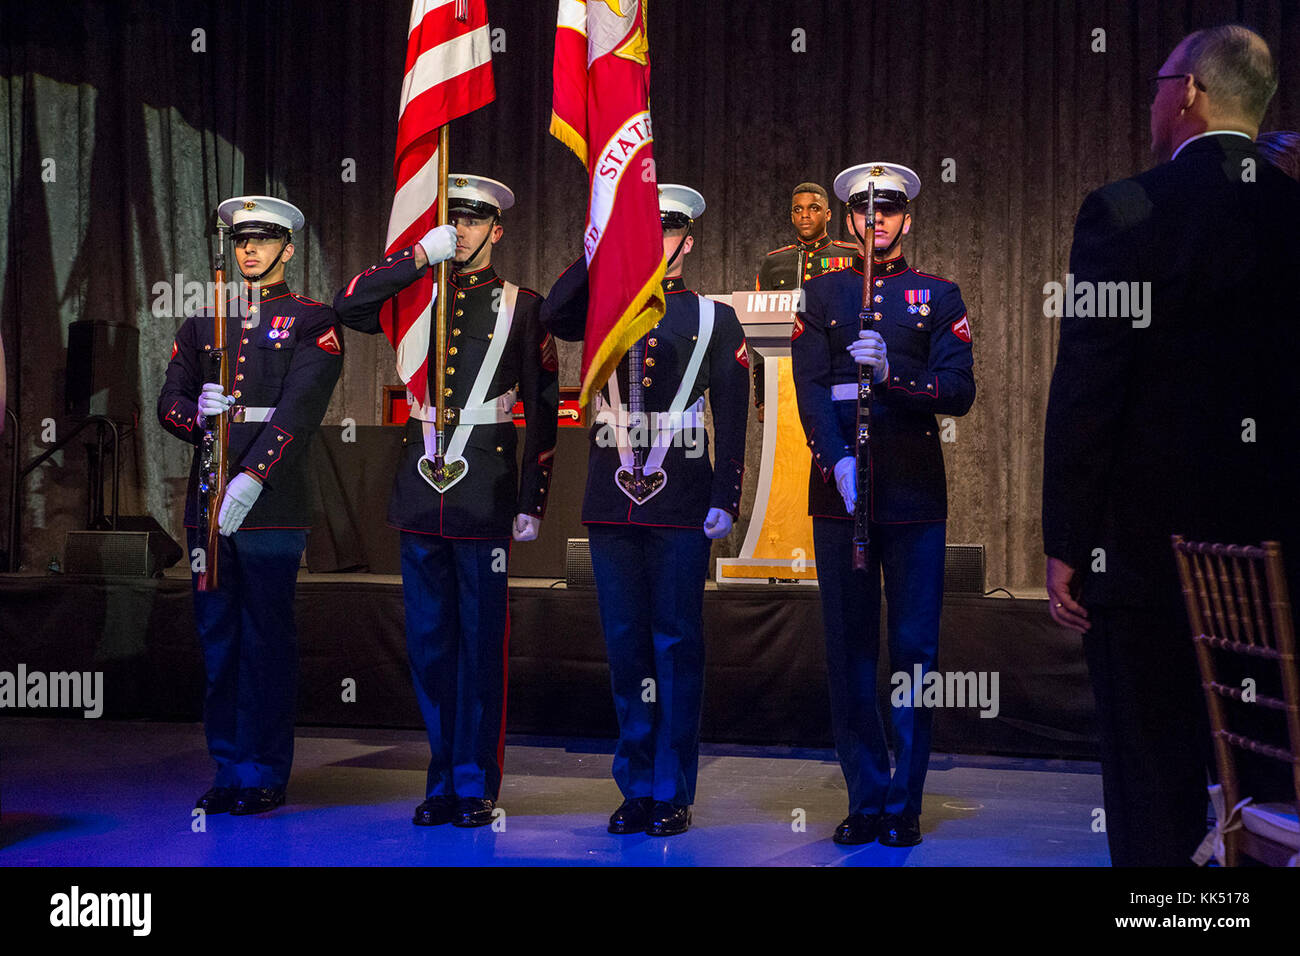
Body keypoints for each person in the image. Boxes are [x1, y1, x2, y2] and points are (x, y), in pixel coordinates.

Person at [1043, 25, 1300, 866]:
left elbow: (1090, 387)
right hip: (1281, 563)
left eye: (1159, 84)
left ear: (1187, 92)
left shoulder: (1127, 210)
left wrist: (1067, 540)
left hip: (1149, 559)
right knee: (1274, 783)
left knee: (1151, 780)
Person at [334, 175, 558, 828]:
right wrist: (415, 258)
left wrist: (533, 496)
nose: (460, 231)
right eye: (451, 220)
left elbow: (544, 407)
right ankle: (440, 779)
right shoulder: (416, 297)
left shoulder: (523, 305)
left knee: (481, 645)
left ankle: (474, 781)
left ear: (497, 230)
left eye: (473, 220)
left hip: (484, 492)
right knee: (430, 645)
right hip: (420, 491)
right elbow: (348, 305)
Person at [541, 185, 749, 836]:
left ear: (687, 240)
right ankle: (635, 786)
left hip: (682, 497)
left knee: (677, 645)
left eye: (664, 231)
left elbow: (734, 417)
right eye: (641, 228)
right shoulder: (605, 306)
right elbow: (552, 313)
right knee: (626, 646)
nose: (654, 241)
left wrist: (726, 496)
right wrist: (599, 248)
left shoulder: (714, 318)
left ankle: (671, 788)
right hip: (612, 499)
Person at [791, 163, 975, 847]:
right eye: (866, 211)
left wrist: (895, 374)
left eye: (890, 209)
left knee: (914, 651)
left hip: (912, 492)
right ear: (849, 220)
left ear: (907, 219)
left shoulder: (939, 295)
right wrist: (836, 460)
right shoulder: (823, 293)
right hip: (840, 493)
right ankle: (865, 795)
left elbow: (960, 390)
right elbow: (810, 388)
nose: (877, 220)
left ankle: (905, 802)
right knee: (848, 649)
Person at [158, 196, 344, 815]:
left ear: (287, 248)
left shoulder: (312, 320)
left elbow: (301, 409)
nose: (250, 250)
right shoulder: (203, 320)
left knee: (266, 640)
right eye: (241, 240)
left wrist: (254, 475)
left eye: (263, 239)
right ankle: (229, 768)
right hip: (207, 501)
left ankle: (264, 772)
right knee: (219, 642)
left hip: (272, 503)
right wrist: (195, 414)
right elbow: (167, 402)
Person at [752, 183, 856, 419]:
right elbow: (760, 330)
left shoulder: (850, 257)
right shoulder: (774, 263)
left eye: (814, 208)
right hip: (785, 376)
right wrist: (763, 397)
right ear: (791, 216)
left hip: (837, 373)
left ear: (828, 214)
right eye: (798, 210)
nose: (805, 215)